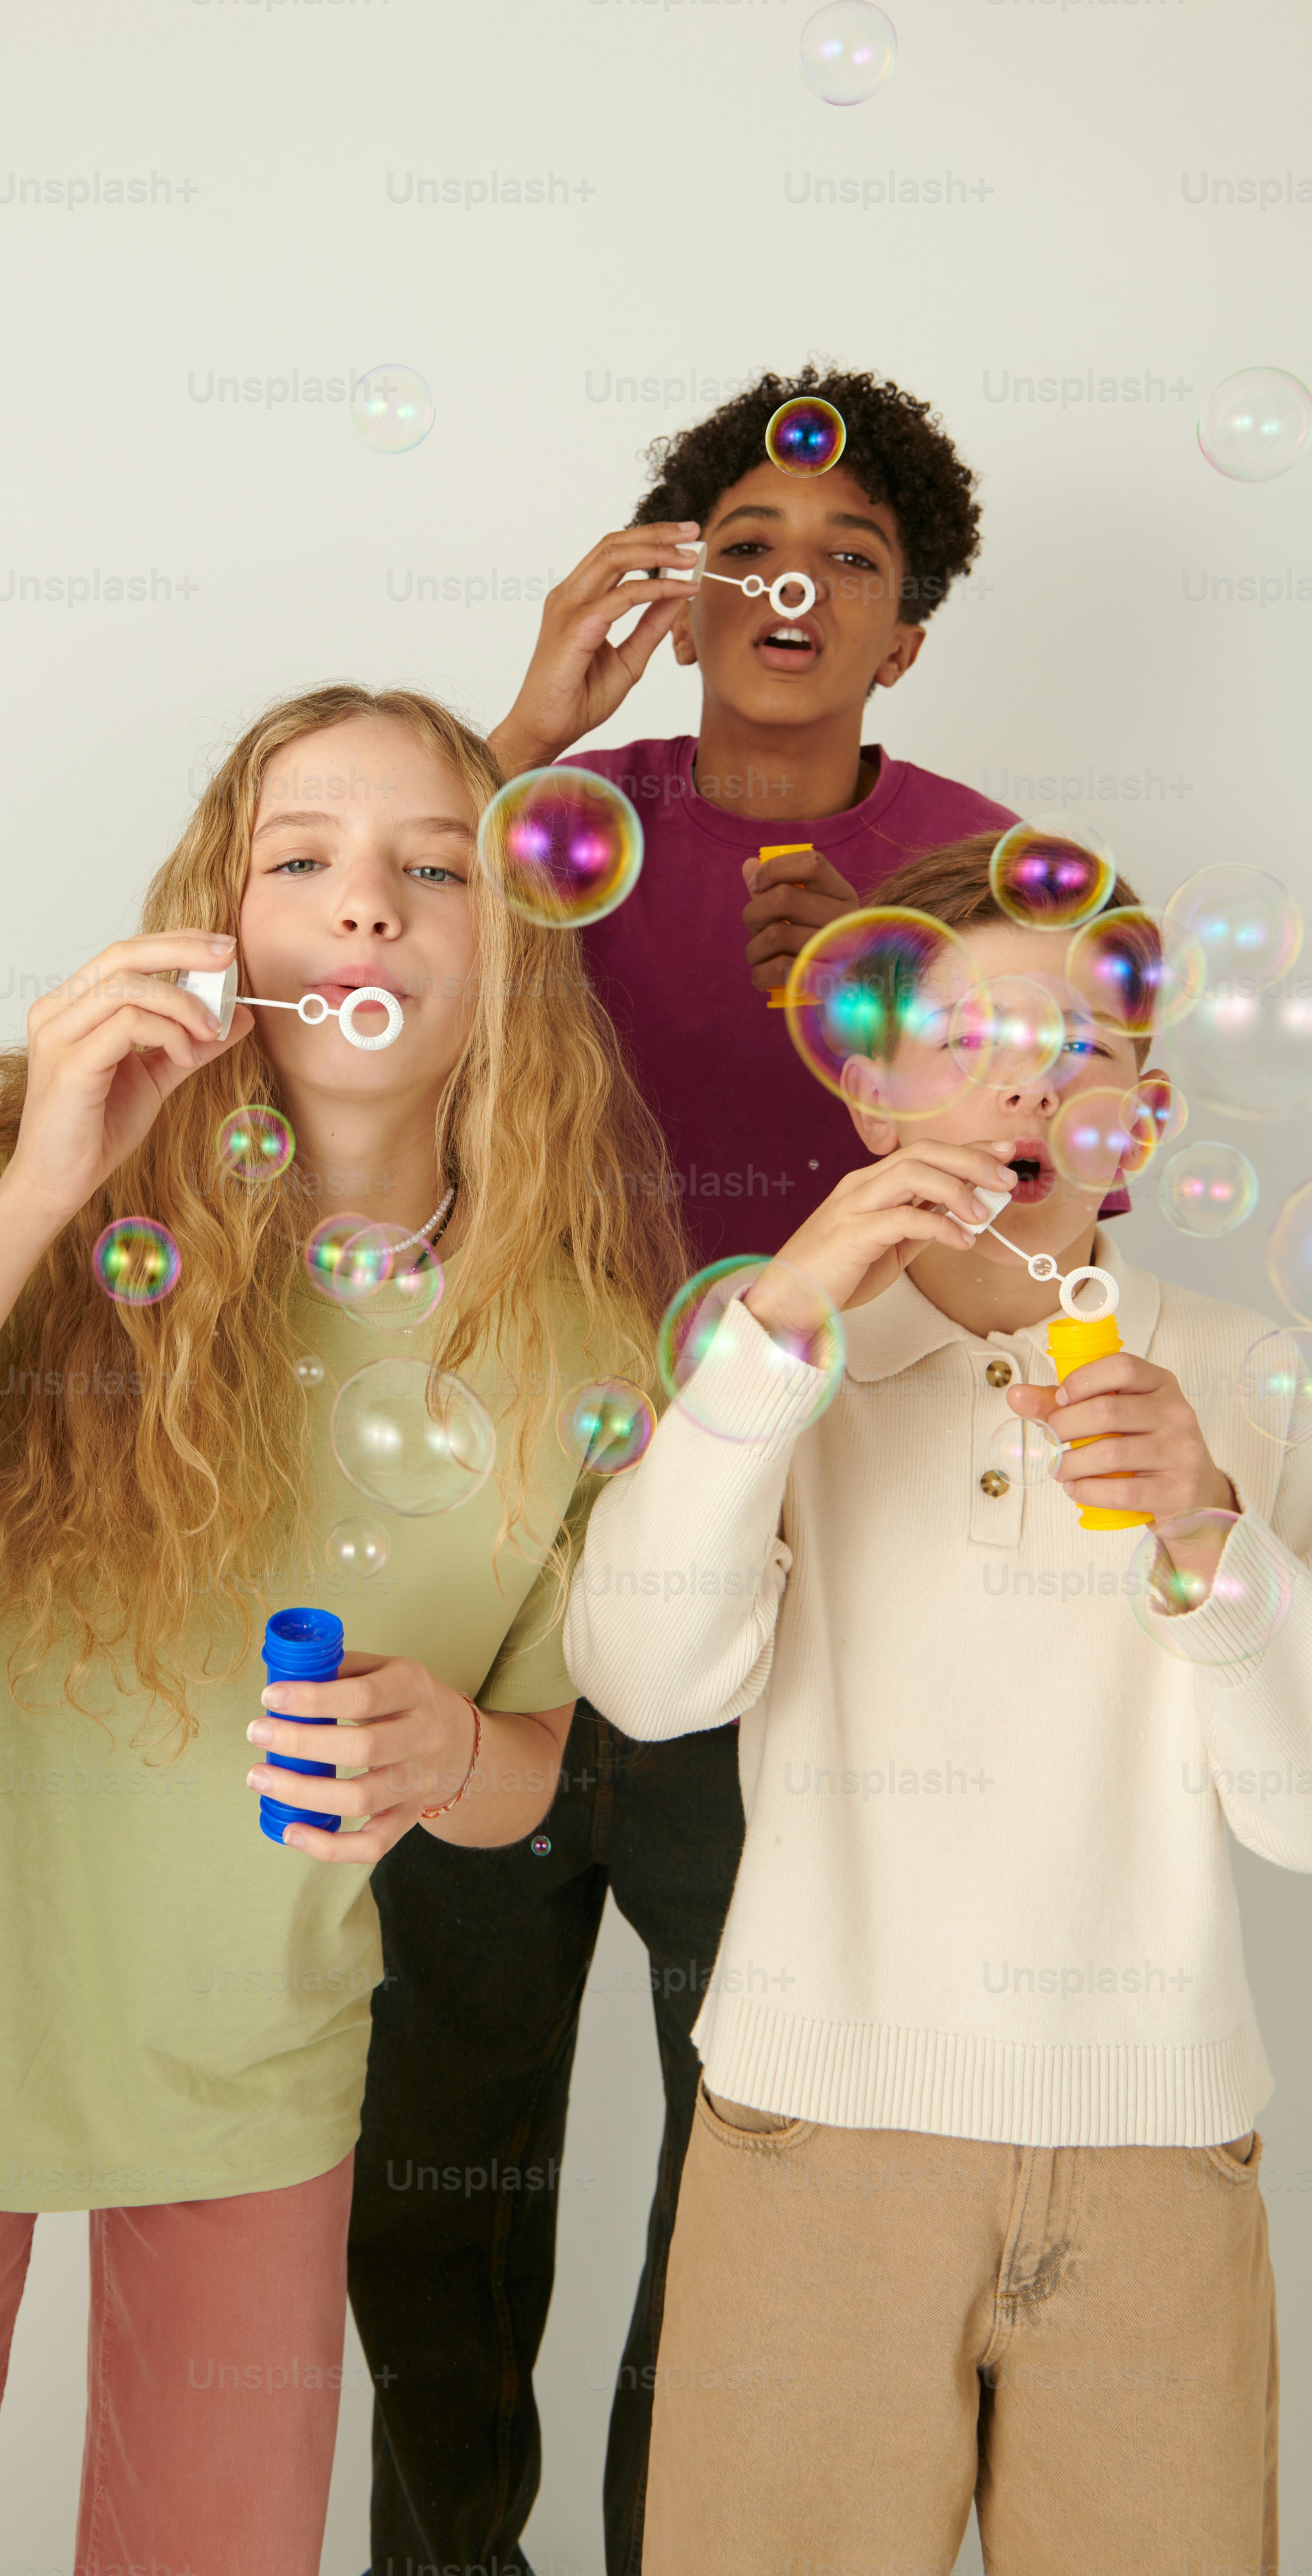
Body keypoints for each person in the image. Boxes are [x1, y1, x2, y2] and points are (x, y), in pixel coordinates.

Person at [0, 686, 689, 2576]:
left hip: (260, 2059)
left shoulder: (584, 1351)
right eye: (300, 862)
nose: (369, 908)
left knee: (216, 2547)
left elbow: (535, 1777)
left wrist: (459, 1760)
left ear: (517, 955)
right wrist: (45, 1185)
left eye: (434, 869)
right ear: (218, 936)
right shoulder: (65, 1221)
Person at [350, 366, 1024, 2576]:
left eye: (854, 560)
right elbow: (352, 968)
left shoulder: (972, 872)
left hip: (789, 1587)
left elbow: (1036, 1213)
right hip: (497, 1567)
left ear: (907, 633)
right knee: (437, 2163)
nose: (798, 584)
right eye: (755, 541)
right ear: (682, 581)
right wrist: (528, 712)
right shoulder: (544, 819)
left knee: (746, 2182)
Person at [566, 833, 1294, 2574]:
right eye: (966, 1046)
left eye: (1080, 1053)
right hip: (817, 2150)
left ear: (1151, 1113)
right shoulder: (791, 1372)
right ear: (870, 1097)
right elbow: (645, 1677)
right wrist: (785, 1321)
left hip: (1158, 2161)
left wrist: (1210, 1534)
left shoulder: (1245, 1390)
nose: (1026, 1086)